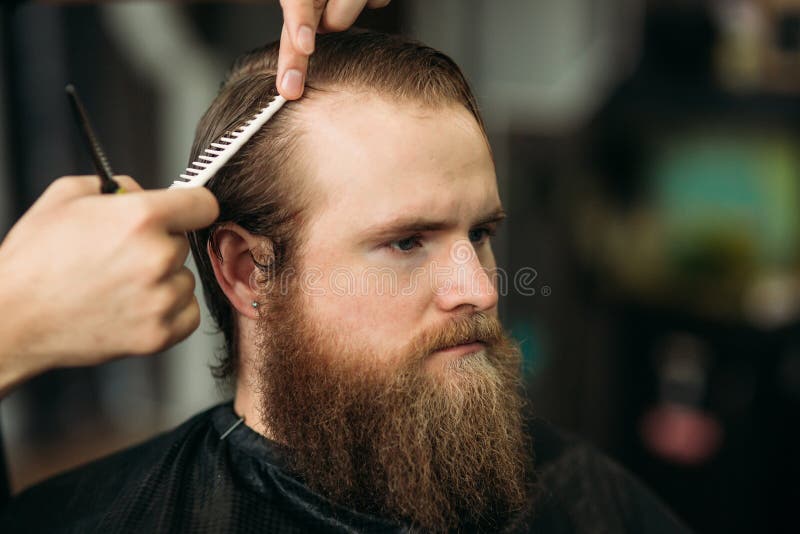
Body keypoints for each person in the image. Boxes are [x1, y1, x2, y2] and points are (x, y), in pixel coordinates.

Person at [0, 29, 689, 533]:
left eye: (480, 234)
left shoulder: (584, 498)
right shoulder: (97, 520)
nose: (477, 289)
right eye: (405, 241)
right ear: (247, 272)